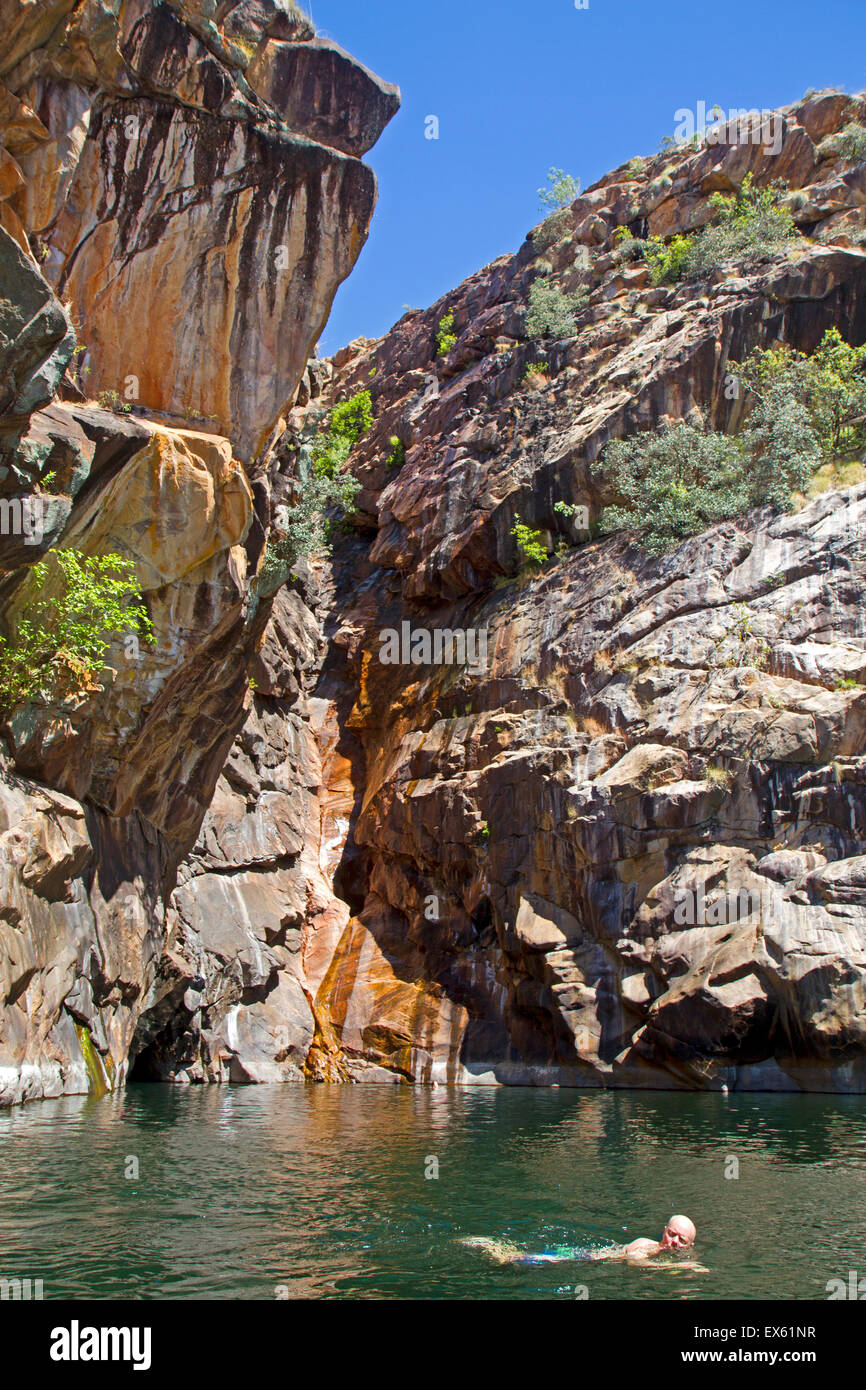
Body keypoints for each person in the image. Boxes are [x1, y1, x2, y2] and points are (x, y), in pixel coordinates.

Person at [462, 1215, 698, 1267]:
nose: (675, 1241)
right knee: (532, 1260)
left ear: (690, 1246)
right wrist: (671, 1266)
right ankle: (491, 1246)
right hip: (588, 1257)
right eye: (672, 1234)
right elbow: (634, 1262)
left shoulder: (677, 1255)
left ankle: (499, 1248)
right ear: (664, 1231)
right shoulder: (646, 1244)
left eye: (682, 1240)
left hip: (590, 1257)